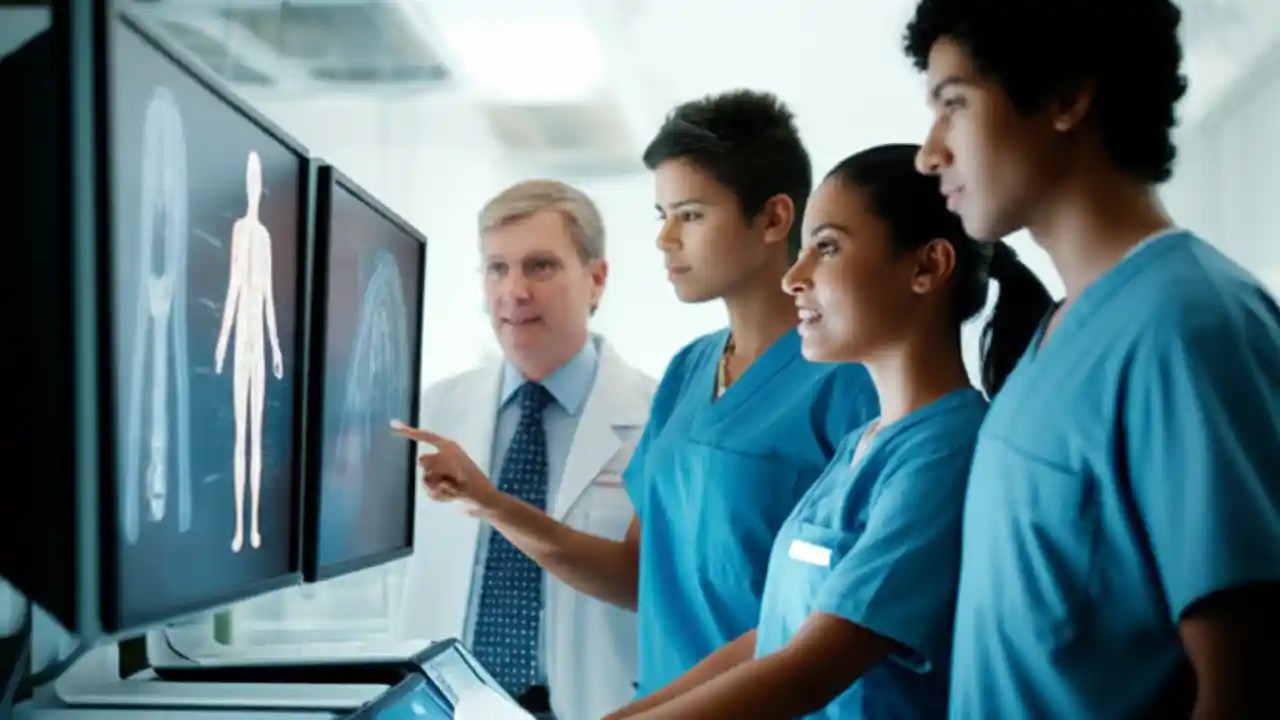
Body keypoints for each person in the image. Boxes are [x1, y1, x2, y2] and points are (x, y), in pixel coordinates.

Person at [395, 90, 878, 708]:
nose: (666, 240)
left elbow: (824, 622)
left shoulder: (848, 385)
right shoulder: (689, 372)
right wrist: (492, 504)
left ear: (774, 219)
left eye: (691, 215)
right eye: (661, 215)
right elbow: (637, 573)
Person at [905, 1, 1280, 717]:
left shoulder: (1188, 326)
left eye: (954, 104)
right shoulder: (1058, 336)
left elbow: (1251, 676)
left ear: (1065, 96)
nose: (929, 152)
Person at [606, 145, 1051, 719]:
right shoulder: (861, 446)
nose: (794, 277)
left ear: (927, 267)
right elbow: (776, 638)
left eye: (828, 248)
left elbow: (805, 673)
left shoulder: (947, 455)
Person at [393, 179, 657, 720]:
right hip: (445, 705)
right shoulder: (431, 411)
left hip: (600, 706)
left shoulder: (658, 417)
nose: (513, 291)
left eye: (540, 266)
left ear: (596, 279)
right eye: (497, 268)